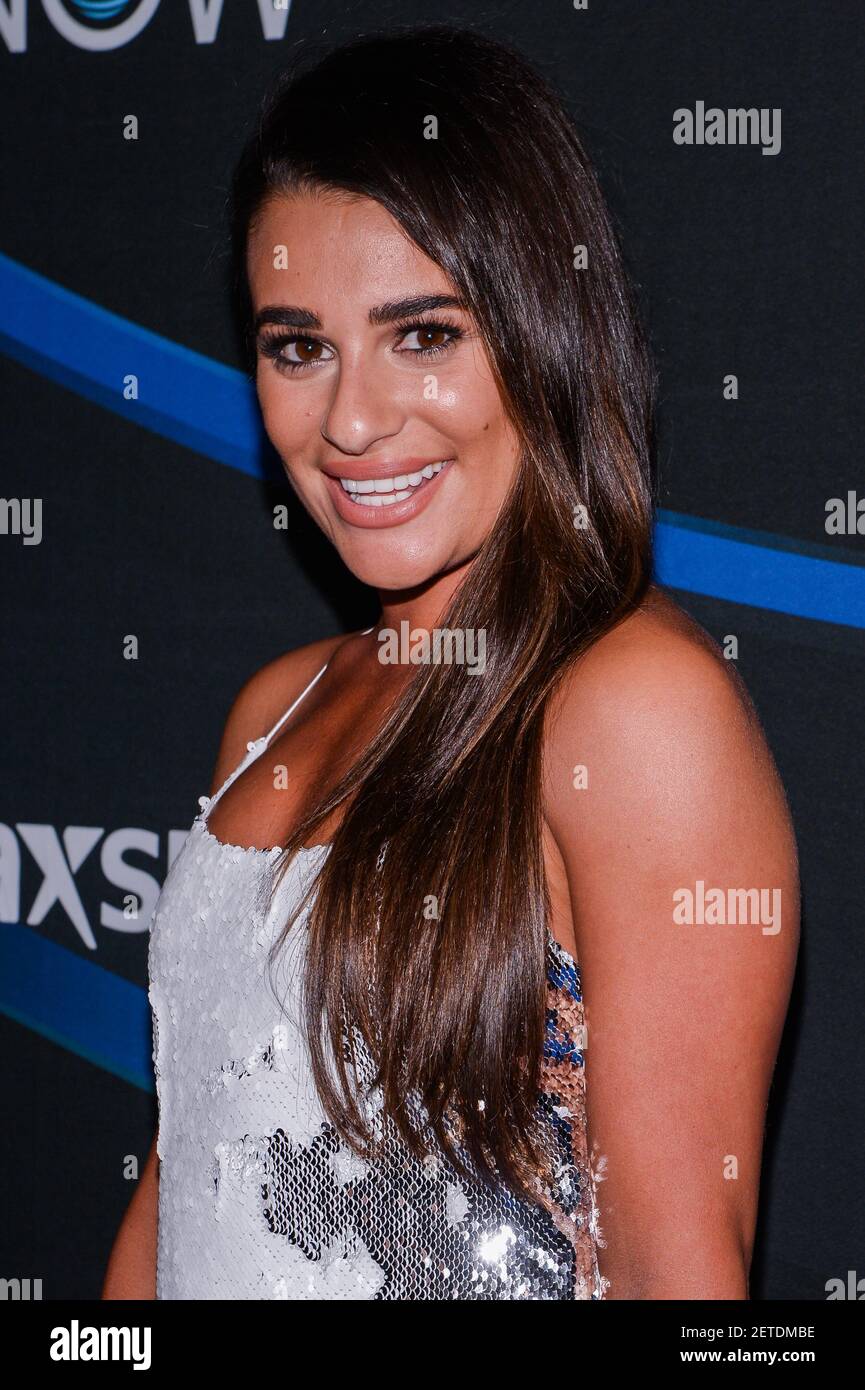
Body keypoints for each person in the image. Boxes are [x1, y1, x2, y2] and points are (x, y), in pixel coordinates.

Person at [103, 25, 799, 1301]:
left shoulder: (632, 706)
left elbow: (679, 1281)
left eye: (421, 334)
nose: (354, 420)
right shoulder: (280, 702)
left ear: (541, 326)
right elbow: (186, 1179)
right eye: (297, 345)